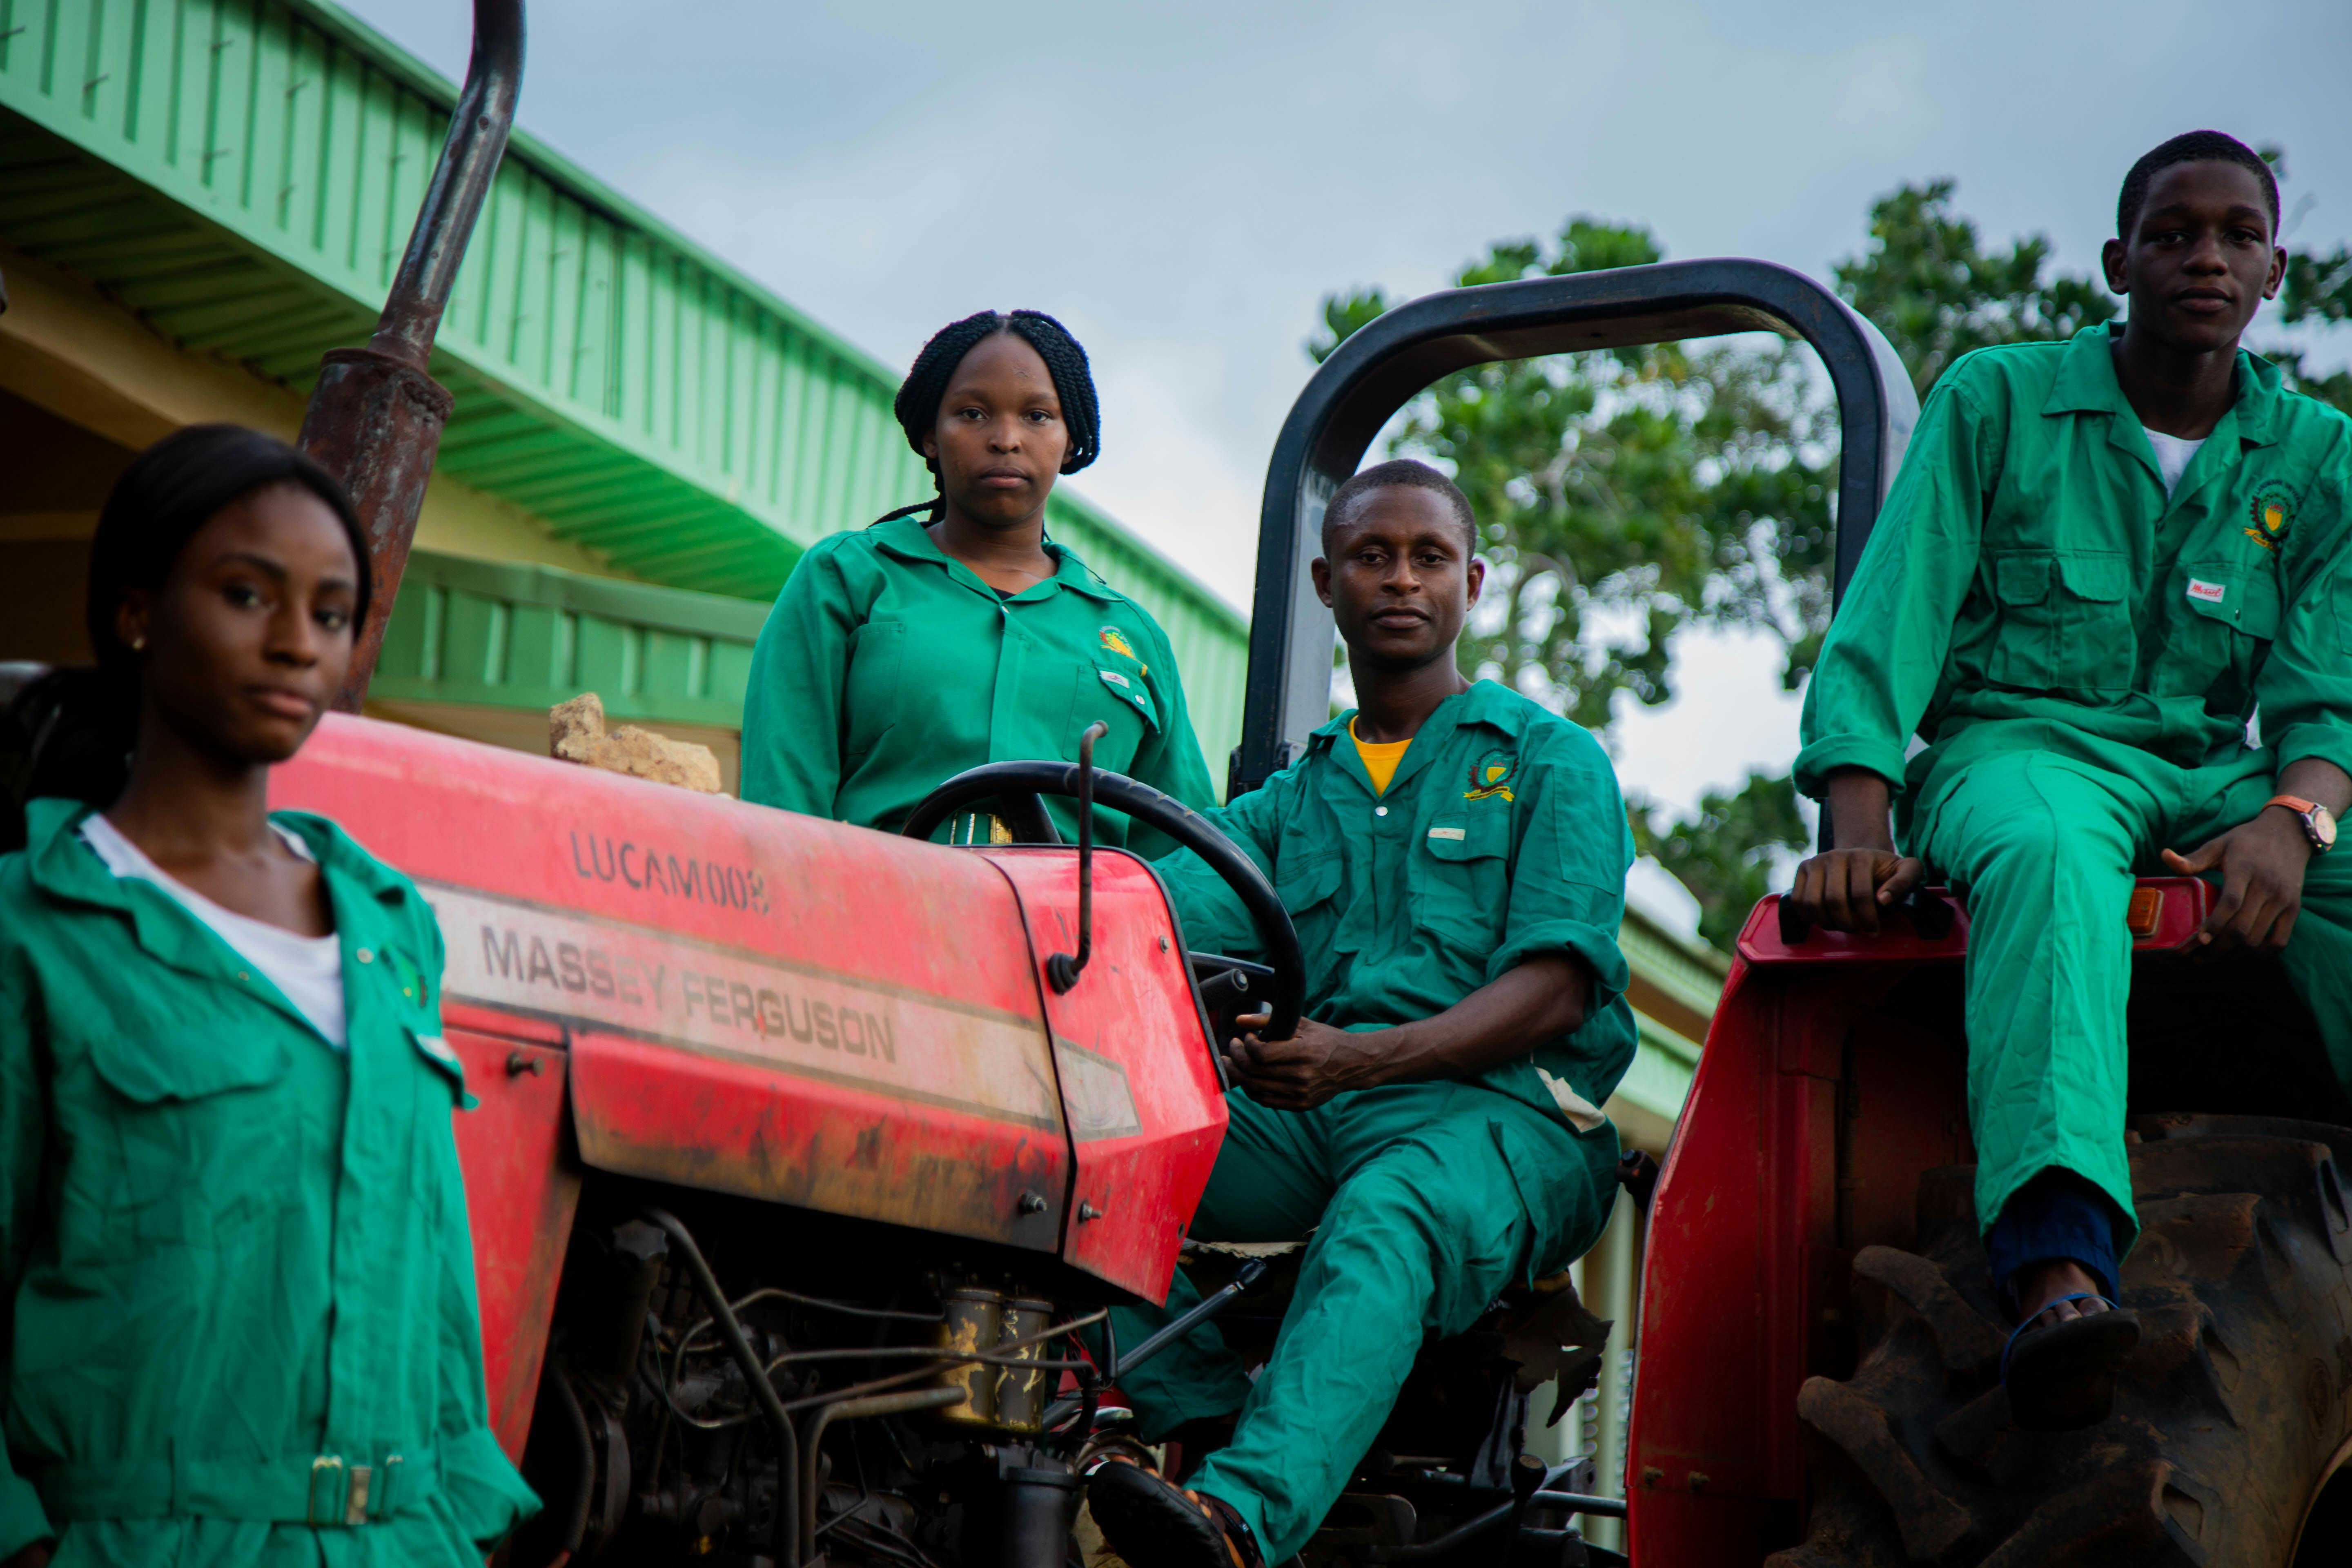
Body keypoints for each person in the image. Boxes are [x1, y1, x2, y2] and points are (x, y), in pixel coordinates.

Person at [1787, 130, 2352, 1432]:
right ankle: (2057, 1267)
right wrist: (1858, 824)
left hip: (2218, 774)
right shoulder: (1997, 399)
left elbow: (2326, 687)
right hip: (2022, 750)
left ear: (2277, 268)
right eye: (2171, 233)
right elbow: (1890, 623)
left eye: (2234, 236)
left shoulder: (2319, 457)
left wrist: (2294, 815)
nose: (2203, 256)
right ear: (2119, 260)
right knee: (2045, 855)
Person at [0, 426, 538, 1566]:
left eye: (333, 614)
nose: (298, 645)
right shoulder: (32, 931)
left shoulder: (392, 930)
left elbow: (436, 1278)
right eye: (249, 596)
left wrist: (471, 1518)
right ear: (137, 612)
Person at [1084, 459, 1637, 1568]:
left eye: (1428, 558)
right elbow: (1135, 909)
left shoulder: (1548, 763)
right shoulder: (1292, 799)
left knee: (1391, 1212)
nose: (1401, 580)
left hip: (1509, 1120)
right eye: (1372, 558)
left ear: (1471, 582)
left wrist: (1353, 1060)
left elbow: (1556, 989)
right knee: (1093, 1146)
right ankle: (1192, 1432)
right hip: (1321, 1110)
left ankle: (1239, 1524)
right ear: (1324, 581)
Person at [740, 309, 1217, 850]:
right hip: (874, 915)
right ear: (930, 436)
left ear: (1069, 441)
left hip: (1072, 931)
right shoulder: (846, 579)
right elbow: (781, 801)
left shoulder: (1133, 639)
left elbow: (1186, 866)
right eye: (972, 413)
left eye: (1038, 416)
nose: (1006, 438)